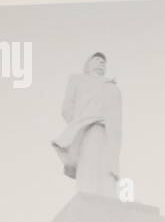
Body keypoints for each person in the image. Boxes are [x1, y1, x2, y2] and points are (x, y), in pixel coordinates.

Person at [51, 52, 121, 197]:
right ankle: (87, 194)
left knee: (107, 166)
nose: (101, 63)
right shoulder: (78, 80)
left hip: (108, 131)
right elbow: (67, 107)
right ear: (88, 64)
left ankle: (109, 196)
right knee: (88, 162)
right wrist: (80, 124)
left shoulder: (112, 87)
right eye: (97, 60)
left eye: (103, 62)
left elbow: (116, 116)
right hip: (88, 128)